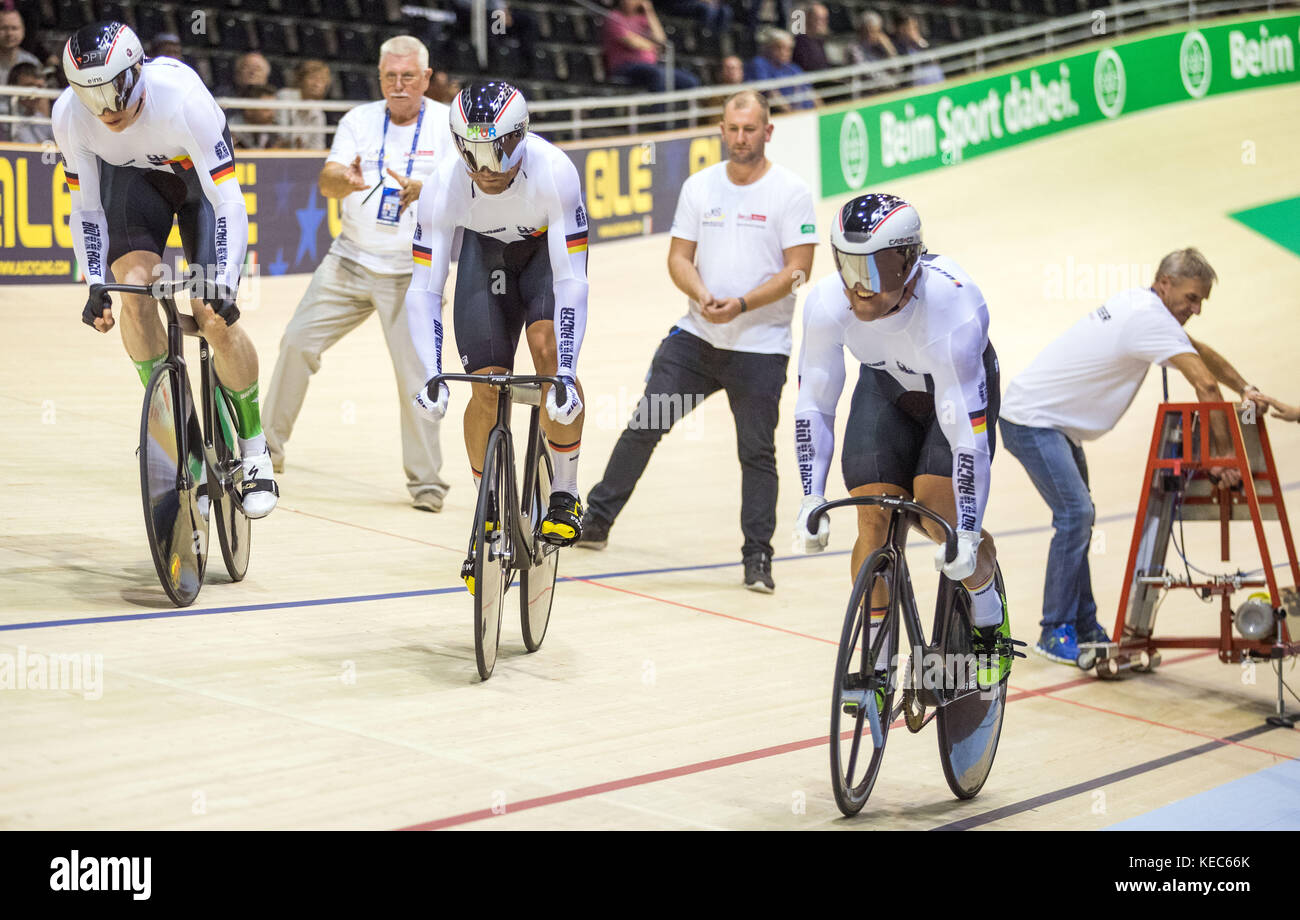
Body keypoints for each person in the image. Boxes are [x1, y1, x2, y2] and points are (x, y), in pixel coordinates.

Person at [999, 248, 1292, 664]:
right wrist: (1223, 457)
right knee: (1076, 515)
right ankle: (1054, 630)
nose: (1196, 309)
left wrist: (1245, 387)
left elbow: (1199, 351)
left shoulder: (1142, 306)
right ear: (1165, 284)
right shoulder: (1149, 318)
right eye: (1191, 298)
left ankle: (1084, 625)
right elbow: (1205, 385)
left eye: (1202, 301)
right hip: (1032, 421)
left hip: (1054, 424)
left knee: (1079, 518)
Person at [580, 91, 817, 593]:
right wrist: (704, 293)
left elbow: (800, 272)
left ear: (768, 132)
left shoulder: (790, 191)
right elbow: (678, 259)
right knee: (644, 425)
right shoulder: (700, 186)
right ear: (721, 129)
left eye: (750, 129)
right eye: (731, 128)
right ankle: (596, 521)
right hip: (697, 339)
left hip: (760, 348)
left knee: (756, 454)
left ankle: (758, 557)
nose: (739, 138)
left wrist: (744, 304)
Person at [793, 193, 1022, 689]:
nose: (857, 285)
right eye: (847, 265)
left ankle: (987, 610)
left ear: (907, 262)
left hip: (953, 397)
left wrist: (964, 526)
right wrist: (811, 494)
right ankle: (875, 658)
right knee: (872, 517)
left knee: (936, 516)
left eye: (870, 269)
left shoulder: (954, 309)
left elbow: (968, 436)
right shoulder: (827, 305)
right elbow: (815, 402)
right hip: (886, 390)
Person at [53, 21, 278, 517]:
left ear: (136, 72)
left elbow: (226, 200)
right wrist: (94, 282)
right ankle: (176, 430)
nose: (107, 110)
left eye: (114, 91)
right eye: (91, 98)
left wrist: (223, 283)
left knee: (212, 314)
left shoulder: (181, 100)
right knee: (132, 292)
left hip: (197, 183)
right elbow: (86, 209)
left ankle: (256, 448)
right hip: (133, 184)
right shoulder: (69, 117)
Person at [404, 81, 591, 589]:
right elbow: (424, 290)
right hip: (486, 261)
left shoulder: (555, 173)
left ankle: (566, 491)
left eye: (498, 150)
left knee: (548, 353)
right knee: (484, 383)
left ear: (521, 137)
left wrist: (567, 374)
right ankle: (489, 510)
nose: (485, 167)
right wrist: (429, 372)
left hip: (541, 262)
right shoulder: (443, 185)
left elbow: (571, 280)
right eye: (473, 152)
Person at [263, 36, 453, 512]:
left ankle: (427, 483)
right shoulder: (358, 121)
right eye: (389, 76)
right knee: (296, 343)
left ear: (426, 79)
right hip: (349, 259)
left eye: (408, 77)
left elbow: (469, 195)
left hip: (414, 273)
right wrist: (340, 180)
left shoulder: (449, 128)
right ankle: (266, 451)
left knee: (417, 378)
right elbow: (326, 180)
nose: (398, 85)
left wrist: (425, 192)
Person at [602, 0, 699, 93]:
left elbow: (661, 39)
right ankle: (661, 109)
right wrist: (654, 45)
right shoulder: (613, 18)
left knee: (690, 80)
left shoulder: (643, 18)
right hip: (625, 67)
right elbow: (633, 42)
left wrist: (650, 11)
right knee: (659, 75)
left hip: (651, 66)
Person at [745, 28, 815, 112]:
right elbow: (771, 94)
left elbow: (810, 92)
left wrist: (822, 111)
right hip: (780, 115)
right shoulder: (759, 64)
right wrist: (792, 113)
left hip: (807, 113)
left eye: (788, 49)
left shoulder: (793, 68)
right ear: (768, 47)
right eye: (779, 47)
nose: (784, 52)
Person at [276, 59, 330, 150]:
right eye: (312, 78)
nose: (317, 84)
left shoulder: (318, 112)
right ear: (300, 80)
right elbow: (282, 136)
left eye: (322, 80)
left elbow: (318, 147)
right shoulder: (284, 97)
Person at [8, 61, 53, 144]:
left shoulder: (44, 122)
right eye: (29, 86)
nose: (34, 93)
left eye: (39, 87)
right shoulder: (3, 119)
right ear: (12, 86)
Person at [230, 84, 284, 149]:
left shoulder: (274, 130)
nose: (272, 114)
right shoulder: (230, 131)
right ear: (249, 110)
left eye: (274, 109)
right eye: (266, 109)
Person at [792, 2, 830, 73]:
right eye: (819, 19)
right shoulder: (799, 42)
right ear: (807, 19)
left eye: (825, 19)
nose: (824, 23)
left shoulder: (819, 41)